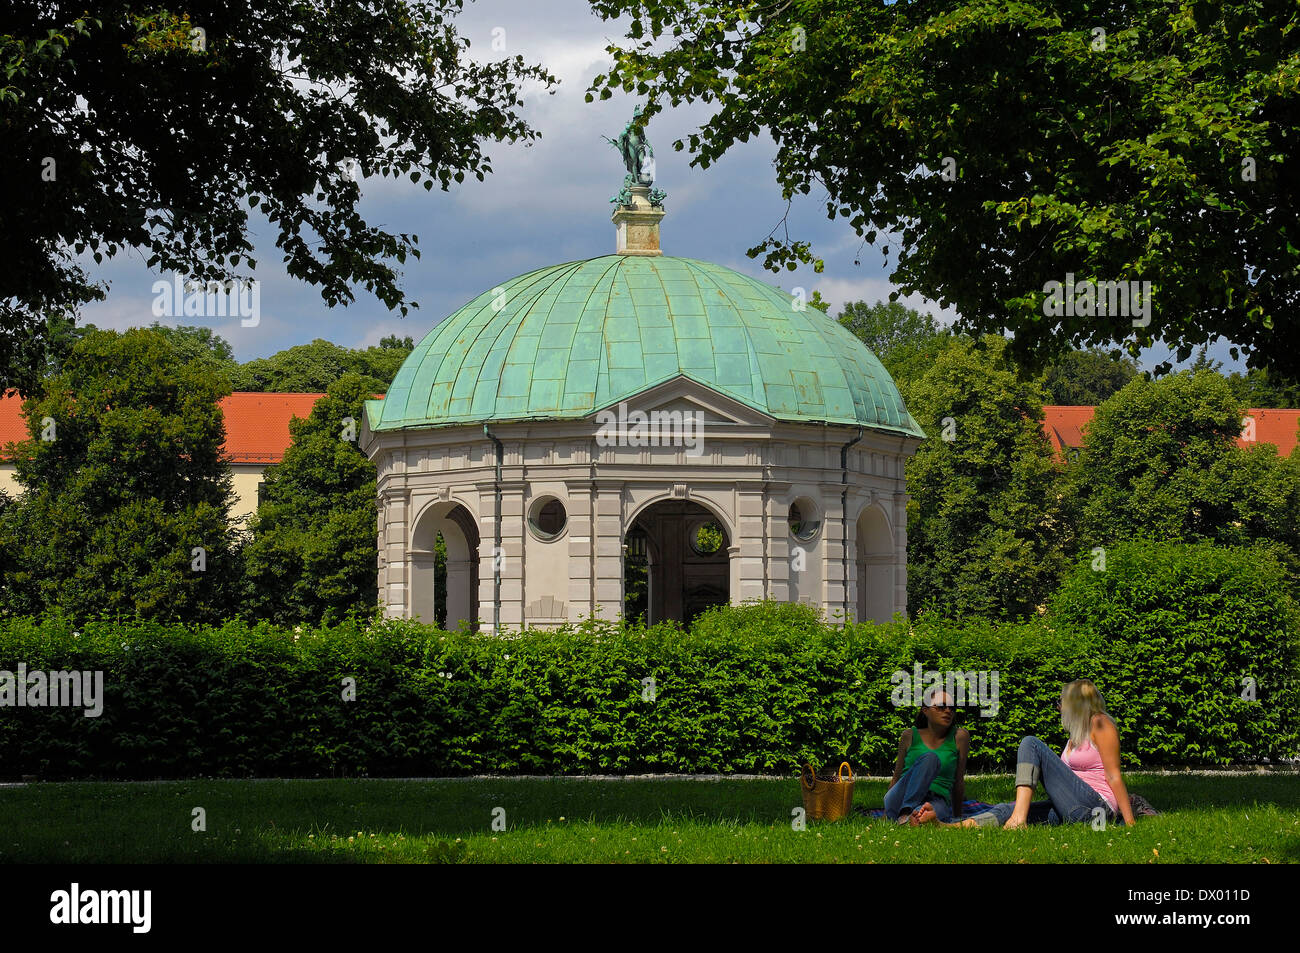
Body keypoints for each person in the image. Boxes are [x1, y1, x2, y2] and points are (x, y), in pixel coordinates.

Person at [916, 679, 1136, 829]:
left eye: (1061, 702)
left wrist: (1129, 823)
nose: (1059, 708)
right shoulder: (1075, 737)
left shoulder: (1100, 722)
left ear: (1077, 704)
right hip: (1075, 811)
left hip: (1097, 811)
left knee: (1031, 743)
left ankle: (1018, 819)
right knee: (1007, 809)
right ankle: (948, 827)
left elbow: (1114, 775)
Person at [884, 687, 969, 825]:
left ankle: (908, 817)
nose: (948, 710)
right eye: (941, 706)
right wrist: (885, 813)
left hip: (935, 800)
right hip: (901, 796)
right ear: (925, 710)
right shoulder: (909, 736)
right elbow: (897, 778)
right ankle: (905, 811)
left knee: (922, 817)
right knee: (930, 758)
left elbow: (958, 780)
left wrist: (957, 818)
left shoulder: (960, 737)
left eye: (952, 707)